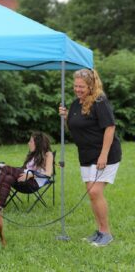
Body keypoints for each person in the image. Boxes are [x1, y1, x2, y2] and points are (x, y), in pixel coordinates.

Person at [59, 68, 121, 247]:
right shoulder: (76, 103)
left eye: (82, 87)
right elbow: (74, 128)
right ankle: (99, 231)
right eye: (75, 86)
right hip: (86, 154)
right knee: (92, 195)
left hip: (105, 154)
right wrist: (65, 117)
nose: (78, 89)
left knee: (95, 192)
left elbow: (110, 127)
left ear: (91, 86)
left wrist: (103, 155)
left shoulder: (99, 101)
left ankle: (106, 233)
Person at [0, 131, 53, 207]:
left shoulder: (48, 154)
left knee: (5, 168)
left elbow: (48, 174)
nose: (28, 143)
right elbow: (23, 169)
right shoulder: (33, 154)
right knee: (8, 178)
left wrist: (30, 175)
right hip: (23, 179)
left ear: (38, 143)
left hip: (33, 183)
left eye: (31, 141)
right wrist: (13, 170)